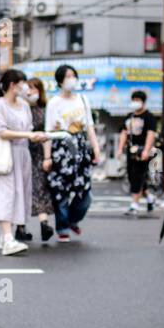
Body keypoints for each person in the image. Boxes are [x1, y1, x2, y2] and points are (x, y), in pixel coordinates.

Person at [0, 69, 47, 256]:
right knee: (5, 193)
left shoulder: (24, 105)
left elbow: (28, 128)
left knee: (20, 194)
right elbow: (1, 131)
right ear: (13, 85)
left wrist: (36, 137)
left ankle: (7, 236)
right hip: (5, 154)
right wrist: (29, 135)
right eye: (23, 84)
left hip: (22, 154)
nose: (26, 88)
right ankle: (7, 238)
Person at [45, 64, 102, 242]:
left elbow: (90, 127)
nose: (72, 79)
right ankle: (62, 227)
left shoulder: (83, 99)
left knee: (85, 194)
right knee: (60, 191)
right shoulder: (54, 102)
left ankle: (72, 220)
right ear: (60, 81)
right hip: (61, 149)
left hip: (80, 149)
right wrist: (47, 156)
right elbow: (48, 132)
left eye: (73, 75)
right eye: (67, 76)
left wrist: (96, 148)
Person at [16, 77, 55, 243]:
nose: (31, 92)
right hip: (21, 151)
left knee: (40, 187)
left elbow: (47, 135)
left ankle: (44, 223)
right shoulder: (19, 108)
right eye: (28, 88)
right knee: (21, 189)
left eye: (34, 88)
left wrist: (48, 157)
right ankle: (20, 227)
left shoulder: (45, 110)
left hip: (38, 153)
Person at [117, 89, 157, 216]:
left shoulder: (149, 117)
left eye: (138, 100)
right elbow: (124, 133)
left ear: (143, 102)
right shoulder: (129, 117)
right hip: (130, 151)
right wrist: (119, 148)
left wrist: (146, 150)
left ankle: (134, 205)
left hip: (143, 151)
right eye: (133, 100)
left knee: (138, 176)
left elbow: (151, 134)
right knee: (131, 176)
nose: (135, 103)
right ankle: (150, 198)